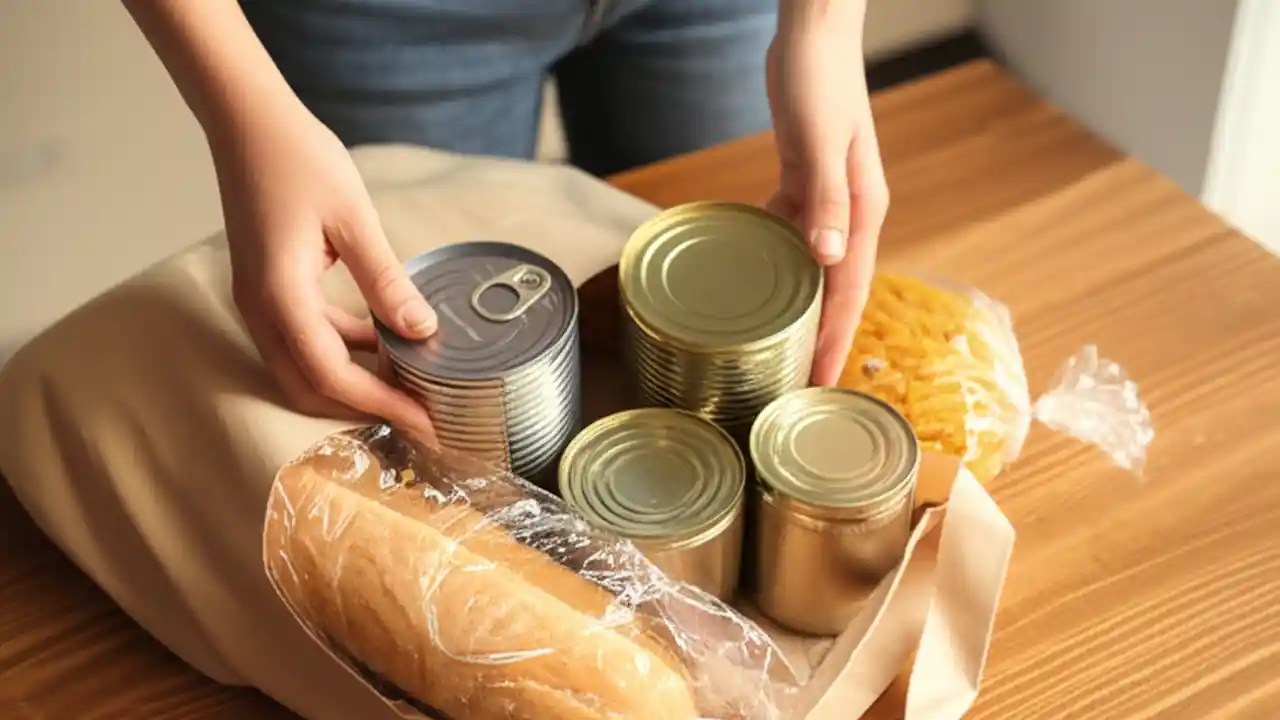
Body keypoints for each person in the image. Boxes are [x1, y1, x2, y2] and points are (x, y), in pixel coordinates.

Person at [123, 0, 889, 440]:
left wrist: (824, 23)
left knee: (722, 286)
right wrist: (244, 111)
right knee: (423, 400)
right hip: (377, 17)